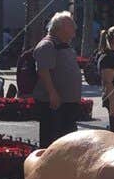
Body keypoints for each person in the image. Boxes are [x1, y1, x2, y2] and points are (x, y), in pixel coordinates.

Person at [32, 11, 84, 146]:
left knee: (67, 141)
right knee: (53, 141)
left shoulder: (64, 44)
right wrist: (52, 93)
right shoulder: (47, 45)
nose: (75, 28)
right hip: (55, 104)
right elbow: (43, 71)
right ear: (60, 28)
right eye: (71, 25)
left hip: (68, 103)